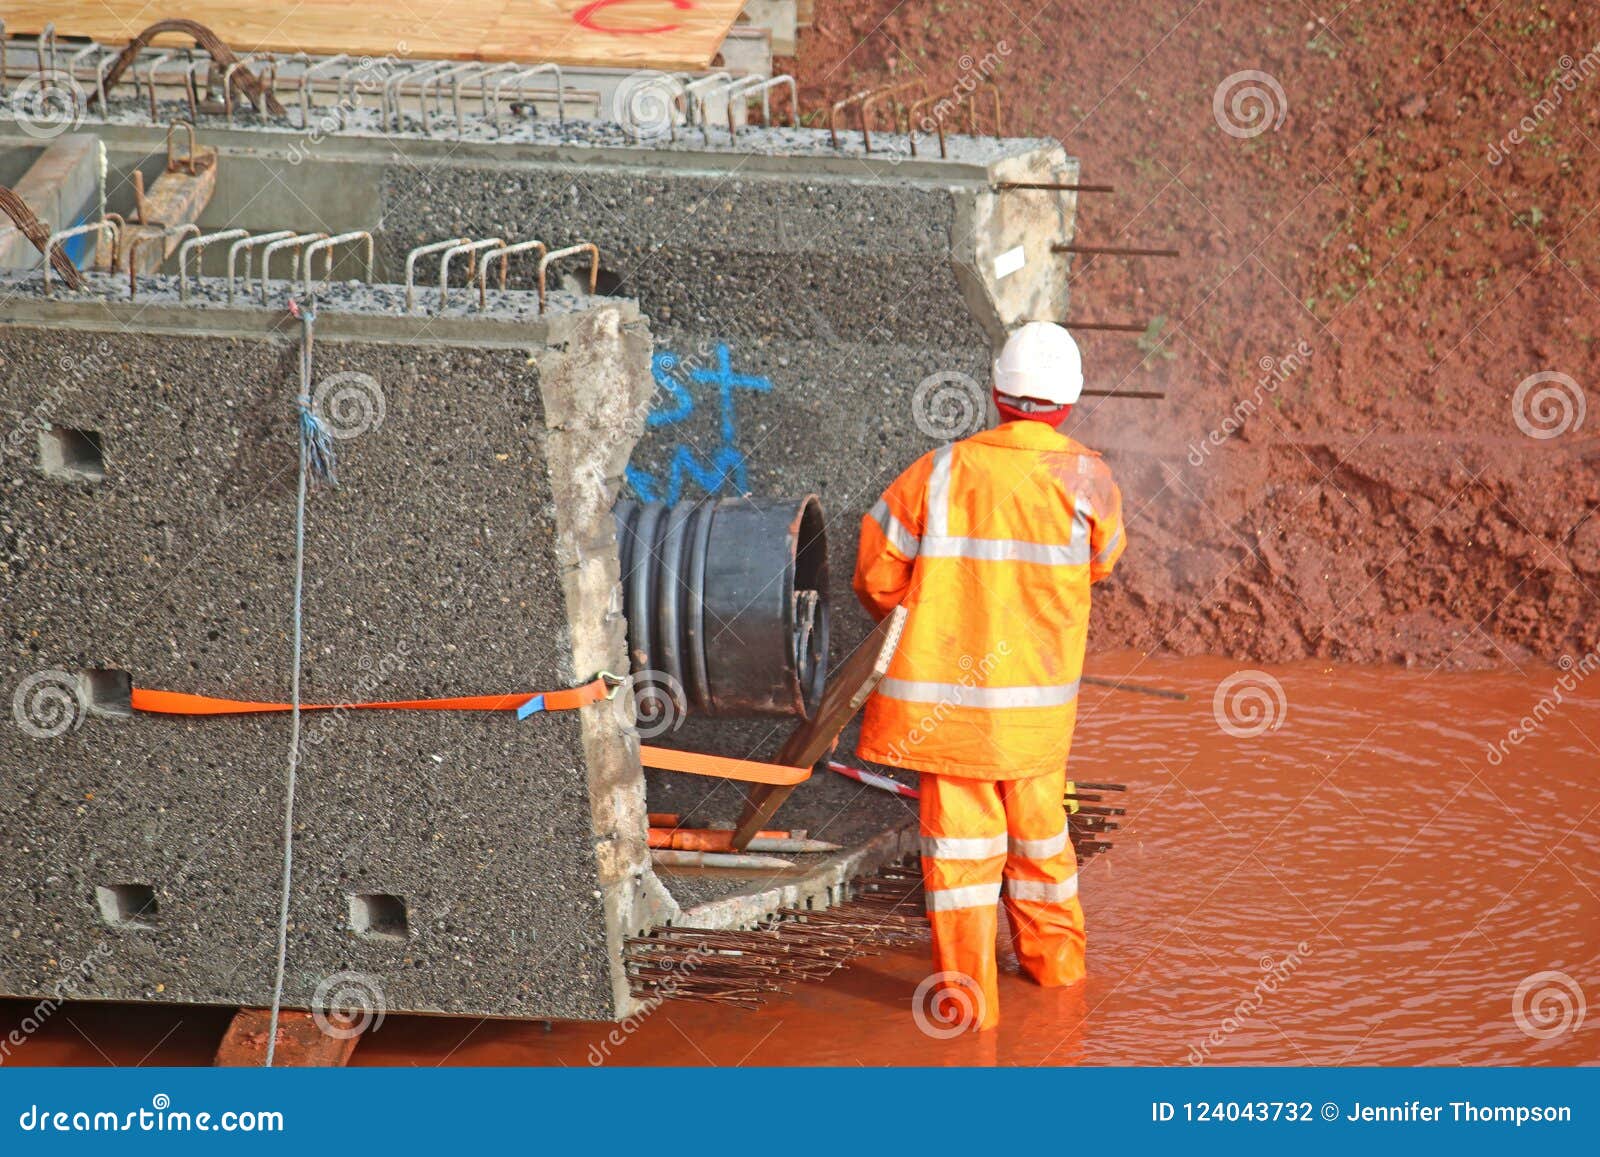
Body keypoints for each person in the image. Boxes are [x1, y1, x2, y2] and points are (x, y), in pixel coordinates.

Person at [852, 322, 1126, 1032]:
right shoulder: (1089, 477)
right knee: (1043, 848)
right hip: (1036, 722)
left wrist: (934, 608)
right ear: (1067, 406)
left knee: (963, 867)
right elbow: (1102, 563)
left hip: (951, 716)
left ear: (997, 393)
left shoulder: (938, 472)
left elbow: (876, 575)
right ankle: (1062, 984)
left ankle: (969, 1018)